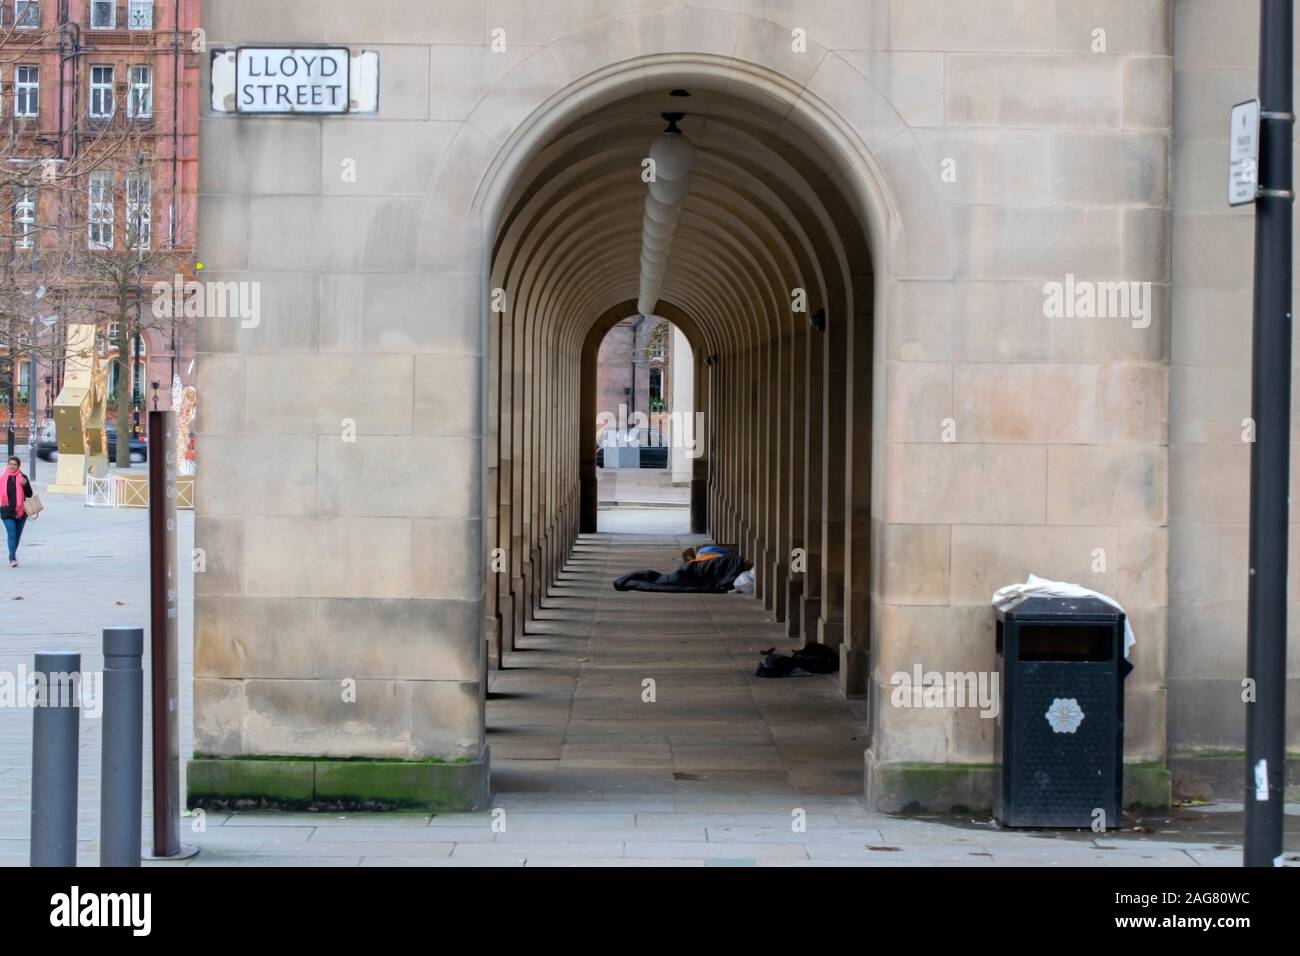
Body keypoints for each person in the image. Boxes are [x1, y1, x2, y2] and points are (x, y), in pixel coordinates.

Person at [0, 456, 34, 568]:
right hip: (7, 511)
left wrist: (25, 485)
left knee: (17, 536)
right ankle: (12, 558)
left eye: (15, 464)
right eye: (11, 464)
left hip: (21, 512)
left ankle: (12, 554)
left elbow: (29, 494)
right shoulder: (2, 478)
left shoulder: (23, 477)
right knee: (12, 534)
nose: (12, 466)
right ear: (7, 465)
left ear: (18, 466)